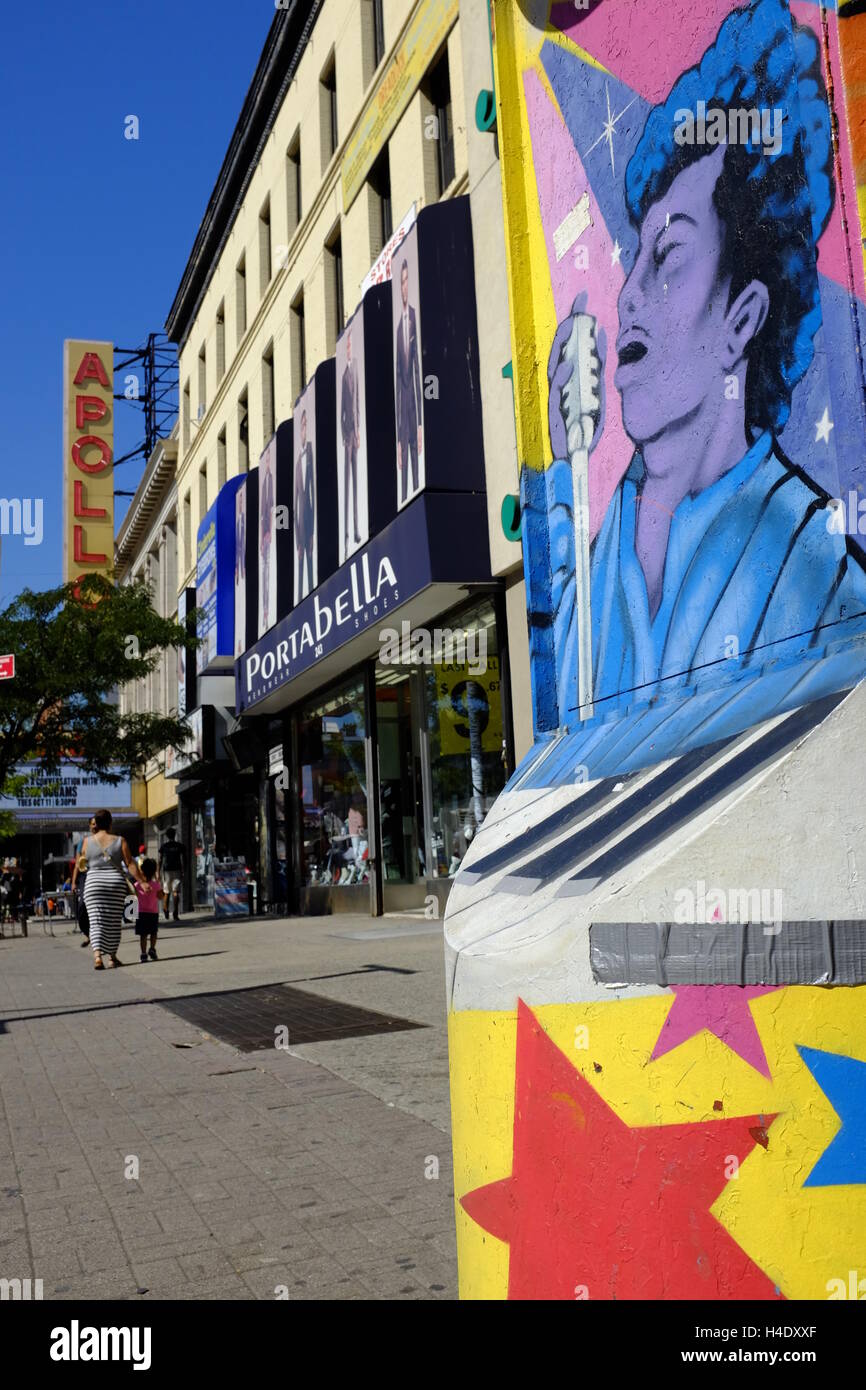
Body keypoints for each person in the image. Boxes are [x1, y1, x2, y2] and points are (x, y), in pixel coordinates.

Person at [543, 0, 866, 717]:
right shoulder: (600, 555)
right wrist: (569, 475)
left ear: (742, 318)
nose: (628, 298)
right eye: (636, 261)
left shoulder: (812, 573)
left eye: (669, 258)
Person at [77, 809, 141, 970]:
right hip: (115, 884)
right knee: (113, 921)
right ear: (111, 823)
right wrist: (142, 881)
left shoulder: (86, 841)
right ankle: (112, 957)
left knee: (96, 921)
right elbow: (130, 863)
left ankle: (98, 956)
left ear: (96, 824)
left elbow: (82, 863)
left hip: (93, 885)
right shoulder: (120, 840)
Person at [395, 258, 423, 504]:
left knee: (418, 478)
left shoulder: (414, 318)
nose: (404, 286)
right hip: (402, 417)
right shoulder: (397, 330)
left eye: (406, 281)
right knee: (403, 488)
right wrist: (397, 438)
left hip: (414, 411)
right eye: (401, 282)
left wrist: (421, 424)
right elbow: (397, 380)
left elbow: (417, 372)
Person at [341, 329, 362, 550]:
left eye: (350, 345)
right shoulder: (343, 375)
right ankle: (346, 531)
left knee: (356, 483)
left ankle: (356, 529)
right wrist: (345, 435)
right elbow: (342, 411)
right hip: (347, 436)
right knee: (347, 484)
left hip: (354, 434)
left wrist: (358, 431)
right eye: (346, 346)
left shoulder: (355, 367)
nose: (348, 349)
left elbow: (357, 402)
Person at [294, 409, 316, 599]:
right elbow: (295, 502)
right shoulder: (296, 465)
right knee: (300, 571)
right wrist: (297, 539)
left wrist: (312, 531)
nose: (304, 429)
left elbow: (312, 492)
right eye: (302, 426)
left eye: (305, 425)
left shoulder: (310, 451)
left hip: (309, 521)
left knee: (311, 572)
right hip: (299, 525)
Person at [71, 814, 98, 946]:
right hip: (85, 876)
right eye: (93, 824)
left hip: (98, 874)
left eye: (97, 823)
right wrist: (73, 882)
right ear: (89, 826)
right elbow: (77, 864)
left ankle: (98, 937)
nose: (95, 826)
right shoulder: (83, 842)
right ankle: (87, 934)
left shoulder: (104, 840)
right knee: (82, 907)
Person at [134, 858, 161, 962]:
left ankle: (143, 953)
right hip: (153, 912)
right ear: (154, 871)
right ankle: (152, 949)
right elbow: (161, 896)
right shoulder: (156, 885)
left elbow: (133, 896)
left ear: (142, 870)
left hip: (141, 913)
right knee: (153, 932)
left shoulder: (137, 885)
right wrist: (158, 882)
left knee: (143, 935)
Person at [159, 827, 186, 921]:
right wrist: (183, 870)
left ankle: (165, 909)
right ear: (174, 835)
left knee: (166, 891)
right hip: (177, 870)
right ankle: (175, 912)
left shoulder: (164, 846)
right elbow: (183, 859)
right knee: (176, 892)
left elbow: (160, 860)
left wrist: (158, 872)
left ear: (166, 836)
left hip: (167, 871)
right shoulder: (179, 846)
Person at [260, 454, 274, 625]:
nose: (268, 463)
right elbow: (263, 513)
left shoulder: (272, 481)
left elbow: (275, 508)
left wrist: (273, 530)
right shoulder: (264, 483)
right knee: (264, 574)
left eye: (269, 460)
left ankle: (267, 611)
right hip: (264, 537)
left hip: (271, 534)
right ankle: (265, 610)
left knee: (268, 573)